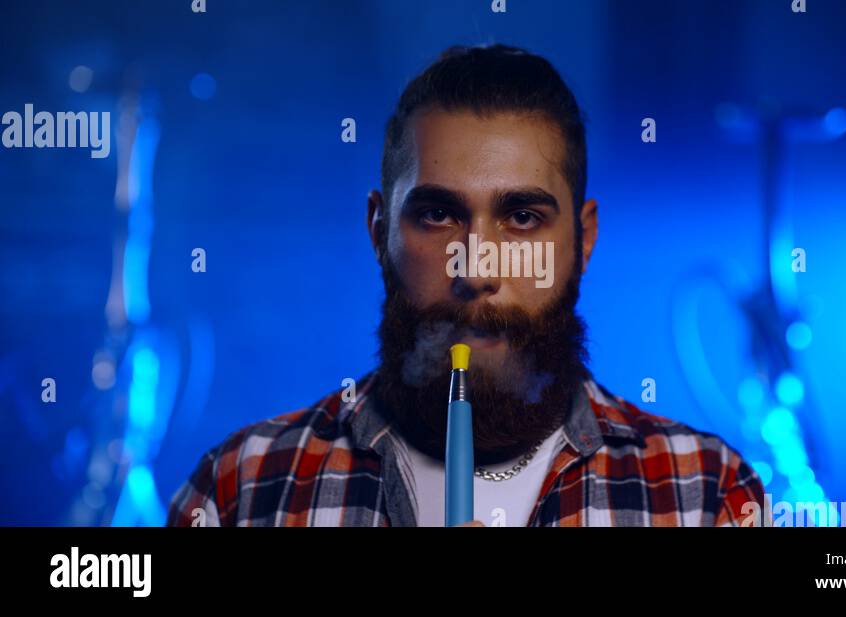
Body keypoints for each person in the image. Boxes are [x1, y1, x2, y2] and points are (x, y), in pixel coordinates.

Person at [167, 43, 764, 527]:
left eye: (523, 218)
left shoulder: (704, 494)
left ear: (582, 242)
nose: (475, 270)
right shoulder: (240, 490)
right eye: (437, 215)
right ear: (379, 232)